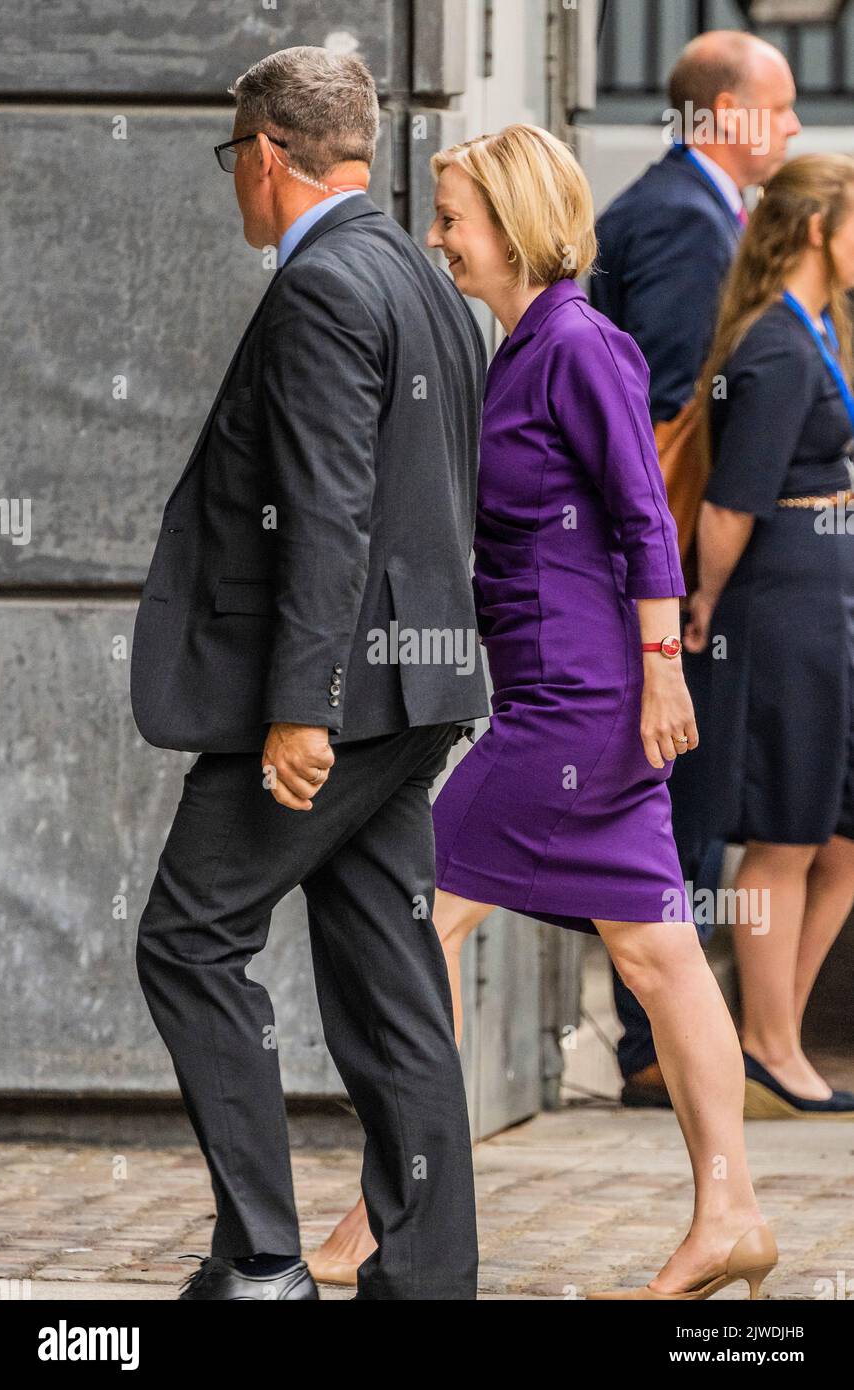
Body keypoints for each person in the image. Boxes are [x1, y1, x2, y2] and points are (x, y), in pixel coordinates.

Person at [310, 123, 778, 1301]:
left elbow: (639, 517)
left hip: (580, 703)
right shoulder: (515, 346)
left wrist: (662, 669)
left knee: (412, 921)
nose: (434, 238)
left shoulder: (579, 343)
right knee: (660, 956)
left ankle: (393, 1207)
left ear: (512, 225)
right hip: (560, 694)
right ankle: (730, 1215)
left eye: (452, 217)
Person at [130, 46, 491, 1301]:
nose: (238, 184)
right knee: (391, 979)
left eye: (238, 159)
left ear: (271, 156)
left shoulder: (324, 286)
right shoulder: (420, 277)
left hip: (332, 699)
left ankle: (264, 1257)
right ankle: (429, 1278)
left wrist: (300, 708)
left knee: (187, 938)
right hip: (414, 689)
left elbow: (329, 512)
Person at [591, 30, 801, 1108]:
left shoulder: (694, 210)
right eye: (780, 106)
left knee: (686, 804)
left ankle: (656, 1038)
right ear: (721, 115)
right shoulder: (679, 219)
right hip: (662, 566)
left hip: (665, 566)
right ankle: (648, 1045)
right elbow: (671, 410)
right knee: (676, 806)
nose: (795, 127)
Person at [684, 154, 854, 1120]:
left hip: (822, 598)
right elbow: (731, 503)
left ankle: (776, 1032)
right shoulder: (779, 347)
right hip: (780, 604)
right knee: (786, 832)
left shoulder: (817, 328)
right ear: (820, 228)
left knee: (836, 833)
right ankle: (769, 1043)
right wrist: (704, 604)